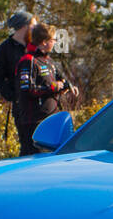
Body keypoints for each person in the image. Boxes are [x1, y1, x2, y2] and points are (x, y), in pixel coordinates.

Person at [15, 24, 75, 155]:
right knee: (33, 158)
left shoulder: (49, 61)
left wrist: (62, 88)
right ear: (44, 42)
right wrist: (53, 87)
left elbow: (61, 80)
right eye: (53, 39)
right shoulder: (29, 60)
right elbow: (27, 89)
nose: (54, 43)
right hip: (34, 121)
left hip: (51, 118)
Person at [0, 11, 35, 136]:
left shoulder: (36, 46)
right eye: (33, 25)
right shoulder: (4, 49)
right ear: (24, 26)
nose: (36, 28)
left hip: (40, 105)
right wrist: (13, 96)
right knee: (27, 143)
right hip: (21, 108)